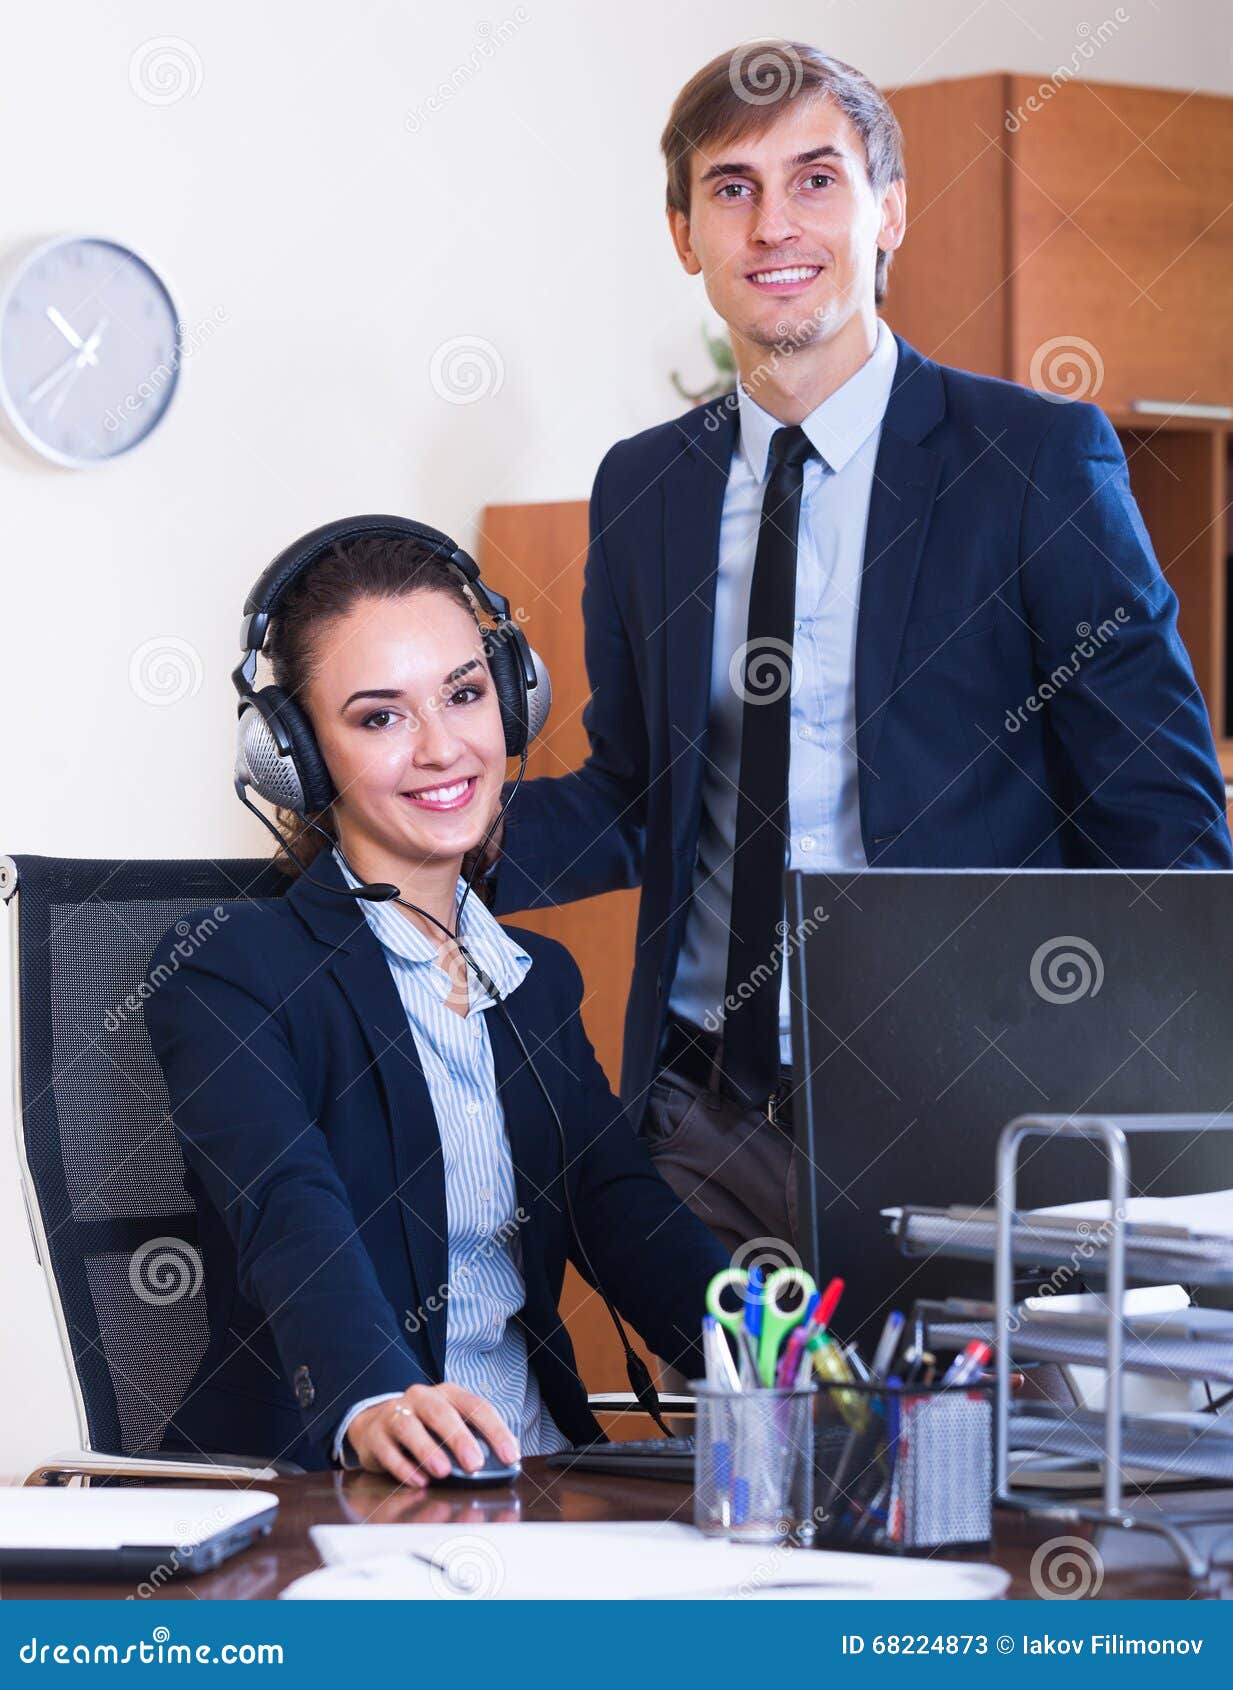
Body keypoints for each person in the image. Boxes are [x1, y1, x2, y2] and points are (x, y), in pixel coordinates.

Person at [484, 42, 1233, 1259]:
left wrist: (1157, 1166)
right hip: (702, 1129)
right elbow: (639, 795)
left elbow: (1163, 828)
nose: (775, 224)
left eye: (816, 179)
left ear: (888, 209)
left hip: (978, 1132)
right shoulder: (642, 490)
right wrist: (437, 848)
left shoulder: (1033, 462)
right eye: (732, 188)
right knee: (740, 1457)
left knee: (956, 1456)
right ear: (685, 233)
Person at [145, 529, 728, 1480]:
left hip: (536, 1482)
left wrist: (779, 1354)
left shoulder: (532, 976)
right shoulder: (230, 973)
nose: (443, 747)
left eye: (464, 694)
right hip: (341, 1490)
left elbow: (617, 1208)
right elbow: (288, 1213)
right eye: (380, 718)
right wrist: (371, 1397)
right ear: (296, 754)